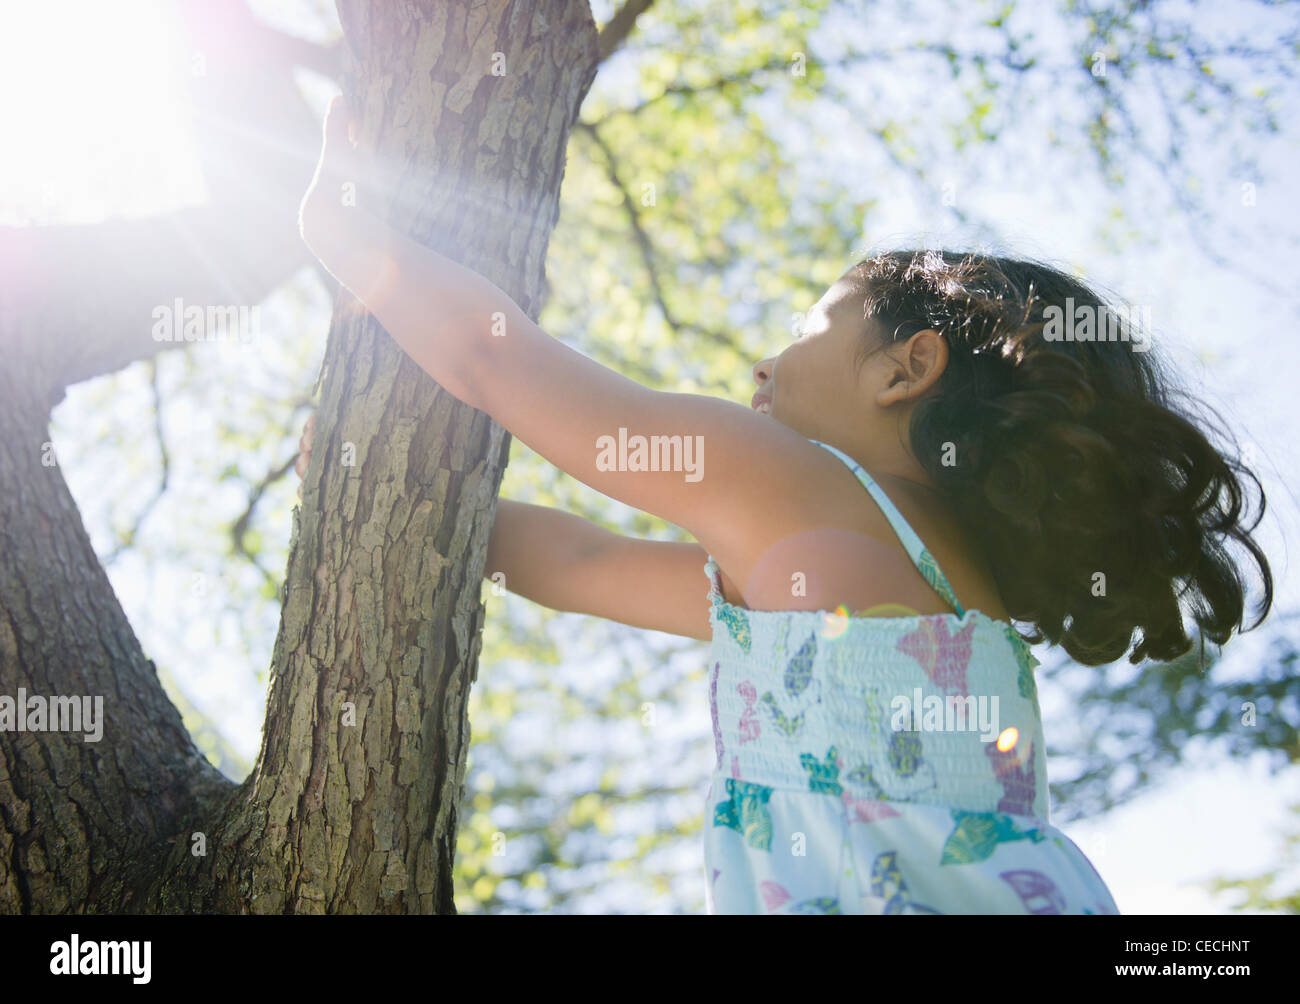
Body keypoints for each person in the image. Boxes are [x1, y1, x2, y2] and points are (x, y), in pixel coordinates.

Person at [294, 96, 1272, 914]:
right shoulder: (920, 598)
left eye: (808, 324)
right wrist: (385, 502)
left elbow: (490, 356)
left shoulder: (790, 485)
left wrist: (361, 249)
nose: (766, 360)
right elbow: (581, 566)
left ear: (906, 366)